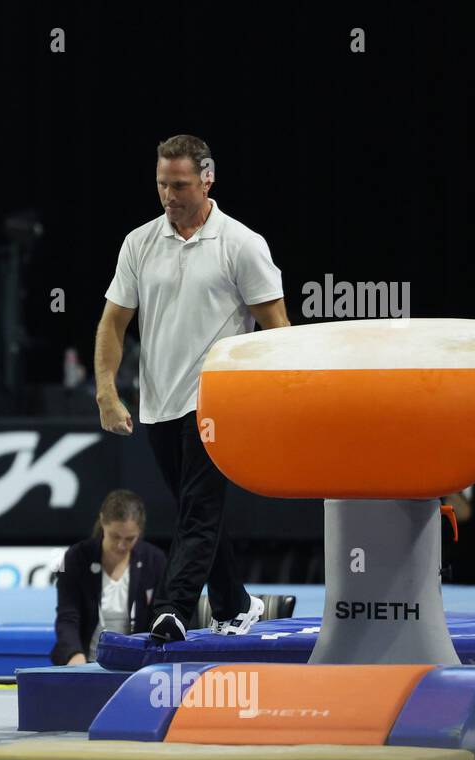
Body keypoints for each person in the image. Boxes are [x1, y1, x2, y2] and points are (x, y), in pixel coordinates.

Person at [94, 134, 290, 643]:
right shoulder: (138, 243)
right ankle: (235, 603)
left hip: (219, 402)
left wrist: (283, 397)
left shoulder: (242, 244)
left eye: (179, 184)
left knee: (199, 509)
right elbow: (113, 324)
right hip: (159, 403)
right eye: (161, 184)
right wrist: (106, 392)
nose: (168, 195)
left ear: (208, 179)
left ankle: (174, 607)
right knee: (195, 509)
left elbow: (277, 327)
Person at [52, 490, 166, 665]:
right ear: (102, 522)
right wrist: (74, 656)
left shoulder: (154, 561)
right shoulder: (76, 557)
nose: (121, 545)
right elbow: (68, 617)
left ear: (140, 532)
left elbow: (159, 618)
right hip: (83, 662)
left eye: (130, 539)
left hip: (137, 667)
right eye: (115, 536)